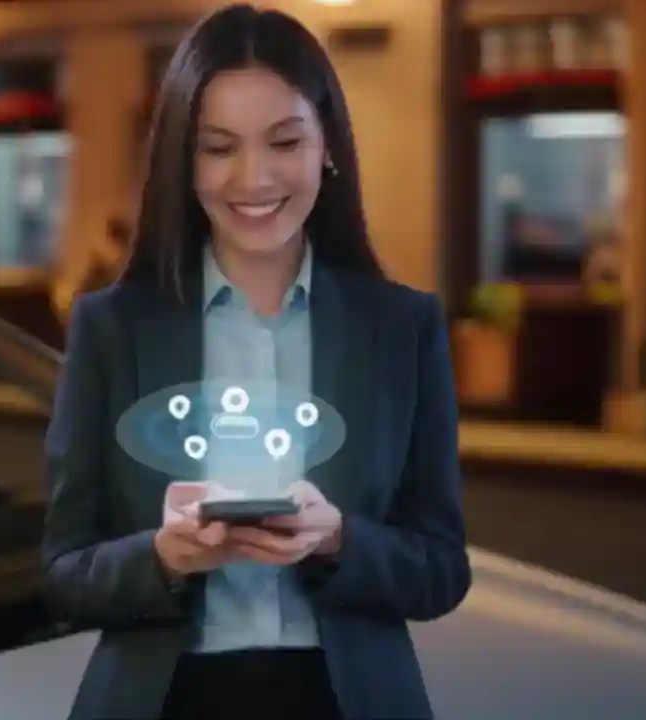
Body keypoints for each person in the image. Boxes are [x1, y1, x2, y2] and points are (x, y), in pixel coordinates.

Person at [41, 5, 471, 720]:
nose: (255, 178)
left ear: (326, 144)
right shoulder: (111, 328)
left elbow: (441, 570)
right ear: (183, 159)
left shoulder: (400, 328)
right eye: (218, 147)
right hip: (165, 700)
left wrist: (337, 539)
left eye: (284, 142)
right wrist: (162, 556)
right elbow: (64, 574)